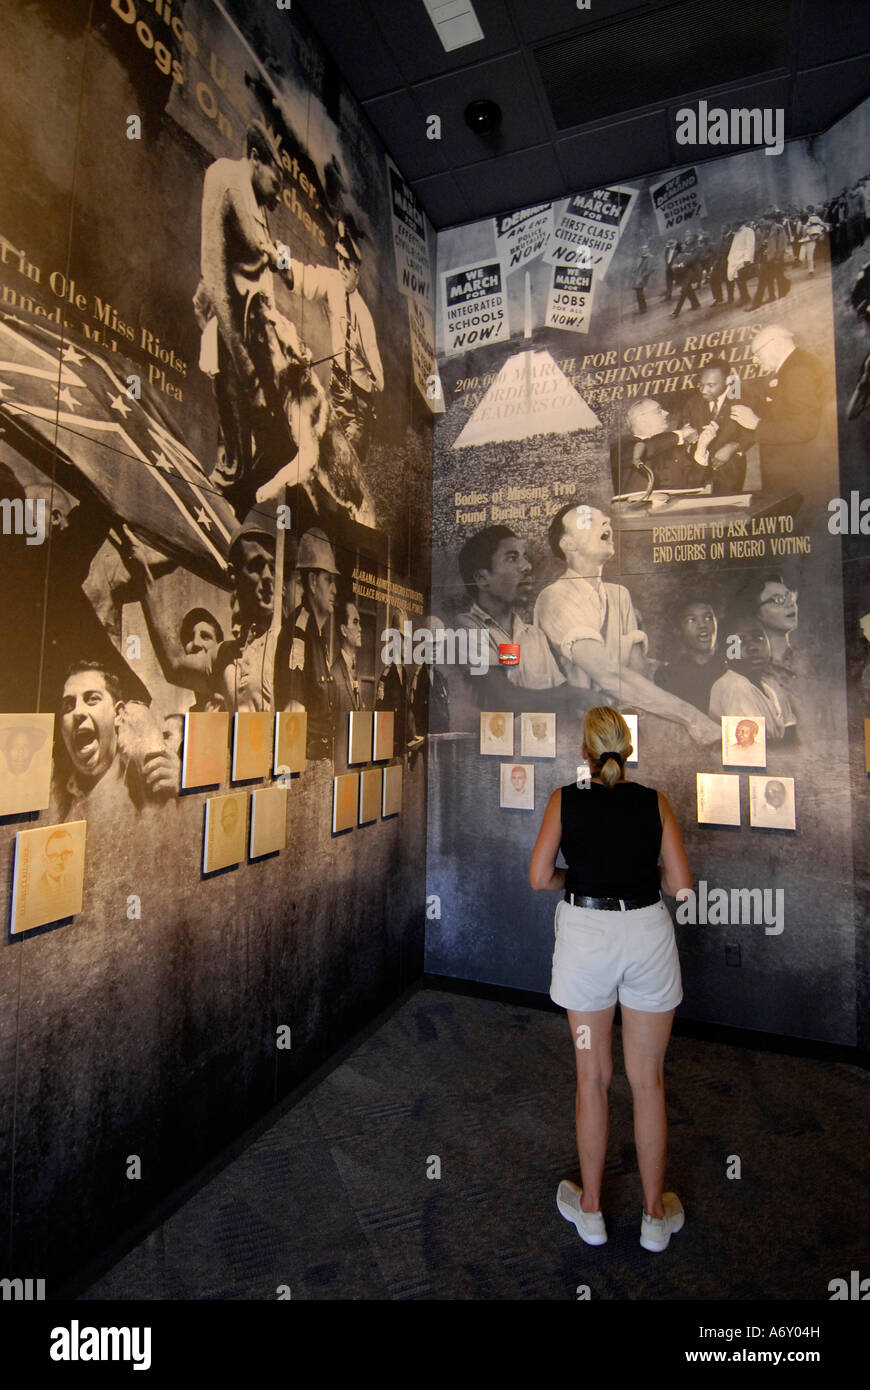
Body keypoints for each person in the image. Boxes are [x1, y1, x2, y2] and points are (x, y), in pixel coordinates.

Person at [529, 706, 691, 1252]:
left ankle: (593, 1210)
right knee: (648, 1081)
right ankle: (653, 1217)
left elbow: (538, 876)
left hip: (585, 940)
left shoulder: (563, 798)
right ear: (628, 749)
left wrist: (577, 877)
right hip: (646, 934)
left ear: (585, 752)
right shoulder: (656, 802)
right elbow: (680, 885)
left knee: (591, 1077)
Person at [534, 504, 720, 744]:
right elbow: (608, 675)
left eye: (605, 519)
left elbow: (637, 674)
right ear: (568, 544)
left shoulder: (619, 595)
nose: (606, 522)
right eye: (589, 520)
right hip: (570, 737)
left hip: (619, 731)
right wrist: (691, 717)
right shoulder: (554, 597)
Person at [195, 122, 303, 513]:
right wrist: (239, 358)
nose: (280, 197)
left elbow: (274, 261)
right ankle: (205, 521)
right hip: (234, 342)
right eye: (279, 181)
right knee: (235, 462)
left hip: (256, 344)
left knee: (281, 447)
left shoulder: (256, 200)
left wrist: (283, 259)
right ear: (257, 158)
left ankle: (227, 513)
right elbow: (213, 271)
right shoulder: (225, 178)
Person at [123, 522, 279, 713]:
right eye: (256, 566)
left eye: (272, 567)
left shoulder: (288, 640)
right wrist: (144, 580)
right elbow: (175, 666)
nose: (268, 576)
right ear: (233, 575)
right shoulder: (225, 657)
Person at [291, 218, 384, 460]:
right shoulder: (332, 282)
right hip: (338, 386)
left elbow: (379, 379)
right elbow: (303, 278)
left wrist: (361, 356)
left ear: (357, 270)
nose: (342, 267)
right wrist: (278, 259)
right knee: (322, 449)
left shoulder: (363, 317)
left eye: (348, 263)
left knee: (348, 460)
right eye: (340, 259)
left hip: (359, 401)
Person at [51, 661, 178, 827]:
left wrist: (186, 791)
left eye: (91, 700)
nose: (77, 712)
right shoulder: (54, 798)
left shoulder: (149, 788)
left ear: (118, 714)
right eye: (68, 705)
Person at [457, 526, 564, 694]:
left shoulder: (535, 636)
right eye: (512, 558)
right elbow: (502, 697)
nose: (527, 566)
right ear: (482, 578)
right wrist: (572, 696)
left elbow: (560, 691)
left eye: (525, 557)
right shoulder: (464, 629)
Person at [730, 325, 827, 498]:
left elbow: (805, 428)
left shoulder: (797, 371)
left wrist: (756, 424)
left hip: (800, 477)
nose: (755, 361)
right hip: (795, 474)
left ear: (774, 344)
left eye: (757, 353)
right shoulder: (790, 368)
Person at [276, 528, 339, 760]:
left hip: (320, 759)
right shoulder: (299, 632)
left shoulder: (316, 634)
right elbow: (293, 709)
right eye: (328, 580)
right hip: (306, 763)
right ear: (313, 582)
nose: (335, 589)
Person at [708, 613, 796, 740]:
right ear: (723, 651)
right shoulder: (733, 687)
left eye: (758, 638)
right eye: (738, 641)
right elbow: (749, 753)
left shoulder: (770, 685)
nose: (753, 647)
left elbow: (791, 734)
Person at [677, 359, 752, 495]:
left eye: (711, 385)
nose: (704, 390)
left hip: (729, 472)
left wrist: (734, 446)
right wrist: (687, 434)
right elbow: (681, 428)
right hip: (698, 473)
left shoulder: (743, 399)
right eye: (701, 384)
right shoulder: (692, 403)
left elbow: (753, 431)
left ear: (728, 382)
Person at [612, 398, 700, 494]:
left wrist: (702, 449)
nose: (666, 413)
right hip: (637, 506)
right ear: (641, 419)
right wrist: (680, 434)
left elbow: (692, 483)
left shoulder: (668, 448)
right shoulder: (621, 447)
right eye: (658, 411)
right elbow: (647, 447)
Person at [653, 597, 726, 712]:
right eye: (691, 620)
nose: (702, 625)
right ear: (677, 630)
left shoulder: (728, 670)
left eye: (708, 618)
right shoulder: (667, 675)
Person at [331, 597, 364, 715]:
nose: (360, 628)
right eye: (355, 622)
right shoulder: (334, 674)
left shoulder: (355, 670)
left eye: (359, 623)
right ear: (344, 630)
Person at [632, 244, 654, 314]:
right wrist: (634, 272)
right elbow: (636, 267)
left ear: (648, 249)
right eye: (642, 249)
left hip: (643, 277)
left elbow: (650, 269)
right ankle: (641, 308)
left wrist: (643, 276)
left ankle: (643, 309)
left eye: (645, 249)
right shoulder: (640, 257)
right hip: (637, 277)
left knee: (640, 293)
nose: (643, 250)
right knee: (638, 293)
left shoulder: (650, 257)